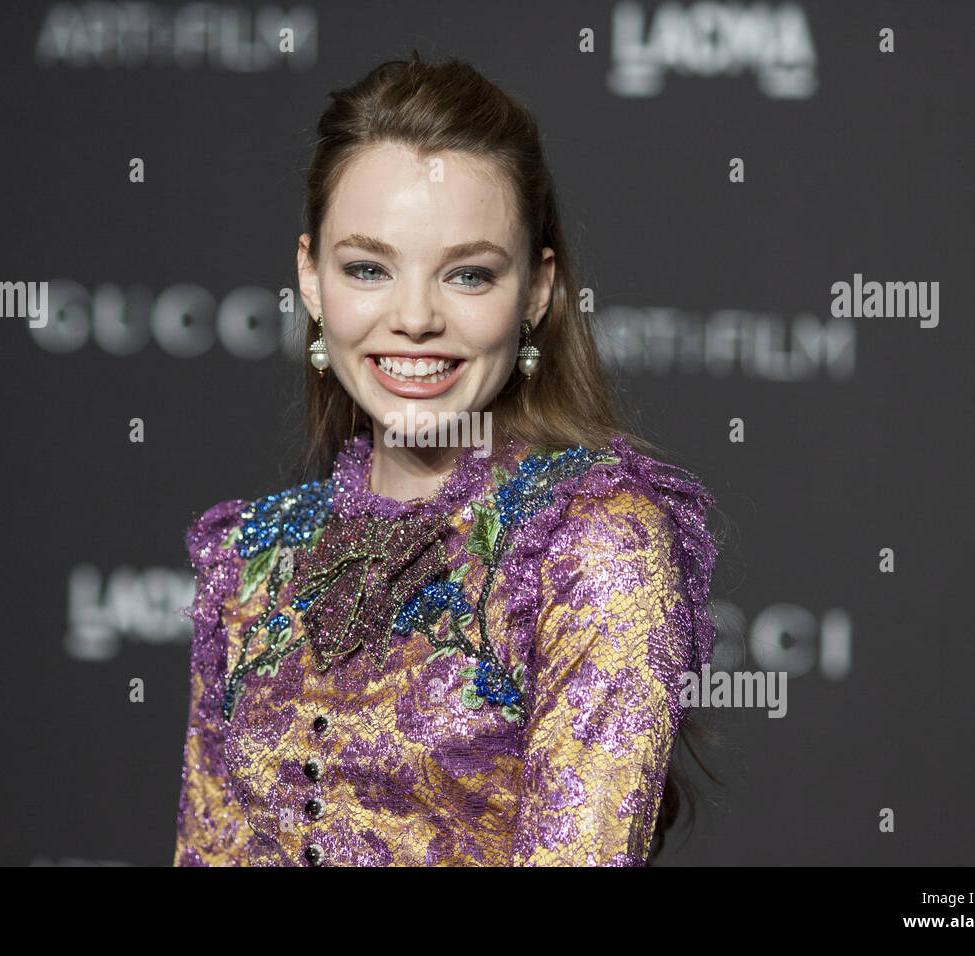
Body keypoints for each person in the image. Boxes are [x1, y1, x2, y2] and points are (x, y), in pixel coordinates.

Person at [174, 51, 721, 866]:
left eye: (467, 274)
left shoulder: (595, 545)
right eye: (369, 268)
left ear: (536, 291)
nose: (416, 318)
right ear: (312, 279)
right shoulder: (253, 556)